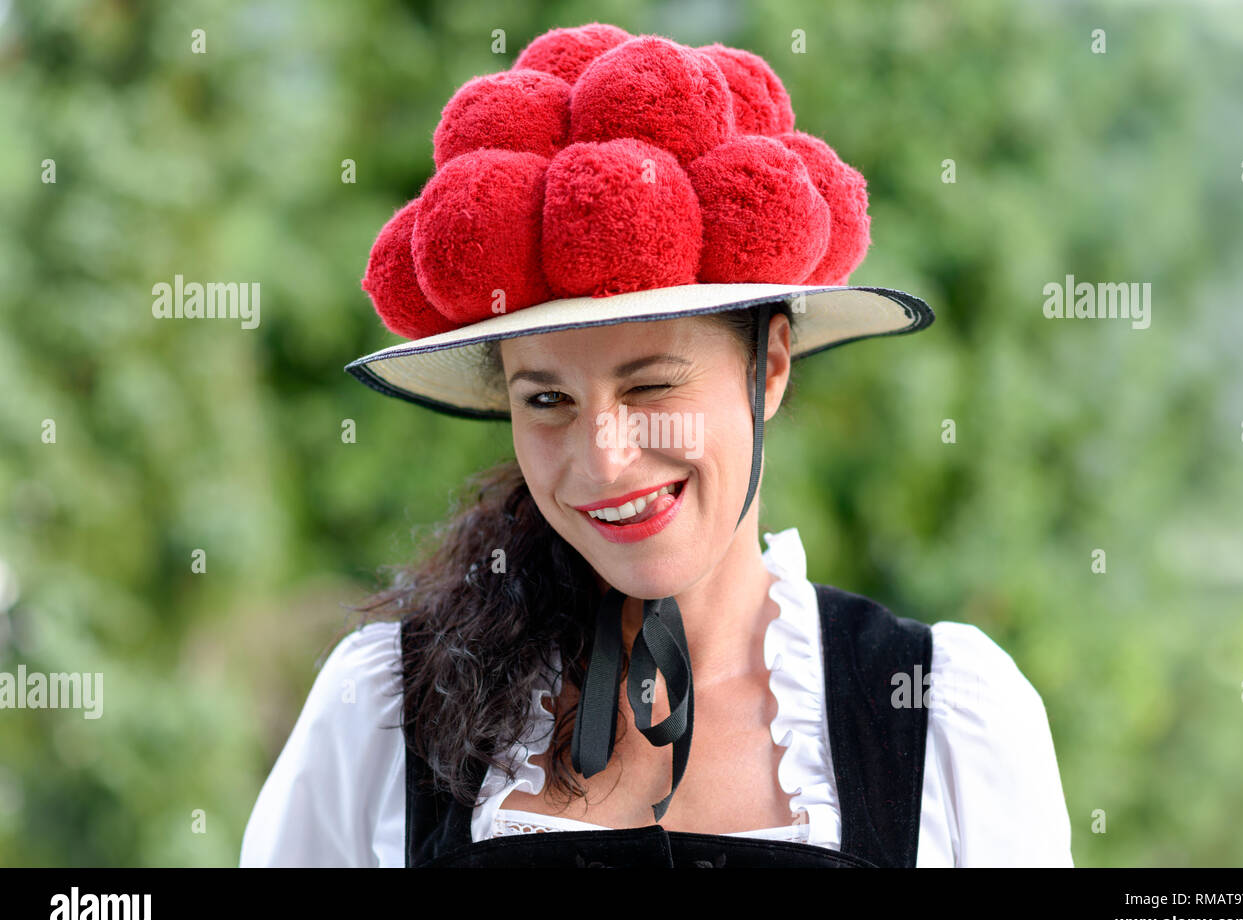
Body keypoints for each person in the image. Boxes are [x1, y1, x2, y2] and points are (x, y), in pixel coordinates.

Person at [239, 23, 1073, 868]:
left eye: (650, 386)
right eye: (549, 399)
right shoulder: (384, 711)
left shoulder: (943, 718)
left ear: (771, 364)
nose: (604, 459)